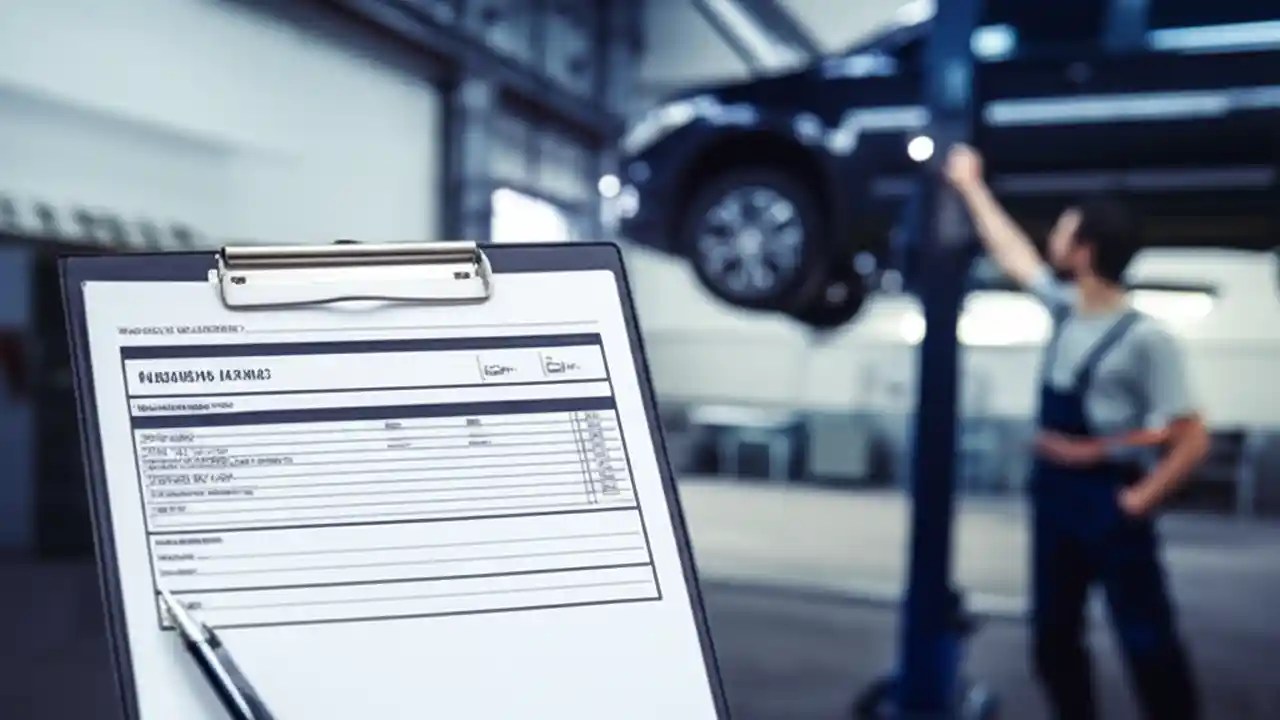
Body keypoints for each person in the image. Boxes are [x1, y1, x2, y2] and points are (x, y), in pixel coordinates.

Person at [944, 144, 1208, 720]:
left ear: (1085, 250)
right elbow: (1012, 254)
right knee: (1053, 641)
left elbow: (1191, 437)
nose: (1050, 242)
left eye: (1062, 233)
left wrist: (1139, 499)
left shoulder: (1146, 338)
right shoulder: (1065, 310)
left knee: (1147, 644)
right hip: (1054, 499)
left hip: (1110, 502)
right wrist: (970, 186)